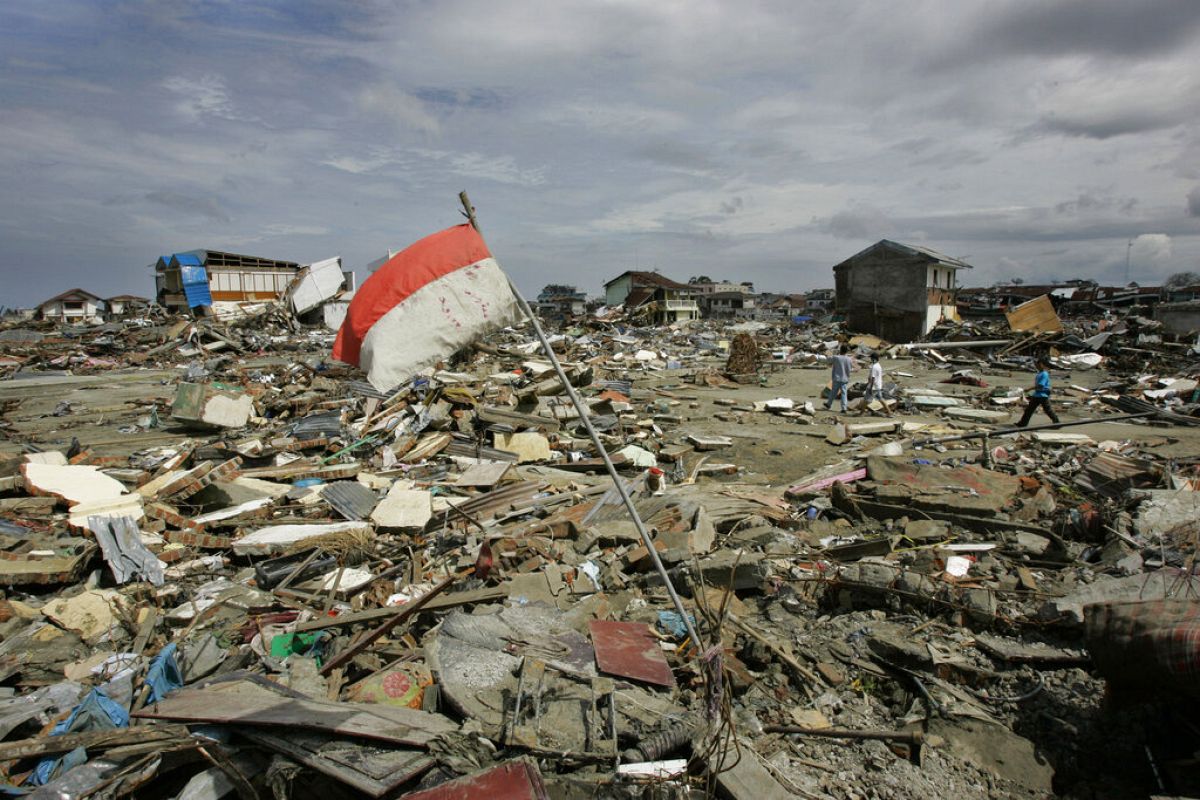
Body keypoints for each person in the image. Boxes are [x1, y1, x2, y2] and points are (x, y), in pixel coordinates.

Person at [1017, 357, 1059, 427]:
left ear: (1041, 364)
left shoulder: (1044, 374)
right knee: (1029, 410)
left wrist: (1029, 389)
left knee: (1048, 410)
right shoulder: (1041, 373)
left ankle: (1057, 423)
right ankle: (1022, 424)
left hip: (1042, 395)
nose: (1036, 366)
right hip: (1037, 395)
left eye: (1037, 364)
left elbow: (1040, 386)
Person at [824, 344, 855, 413]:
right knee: (844, 393)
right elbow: (849, 369)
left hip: (837, 378)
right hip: (845, 378)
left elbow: (828, 360)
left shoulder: (836, 357)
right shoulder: (849, 359)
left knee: (833, 392)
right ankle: (844, 408)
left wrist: (829, 354)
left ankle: (829, 404)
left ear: (840, 350)